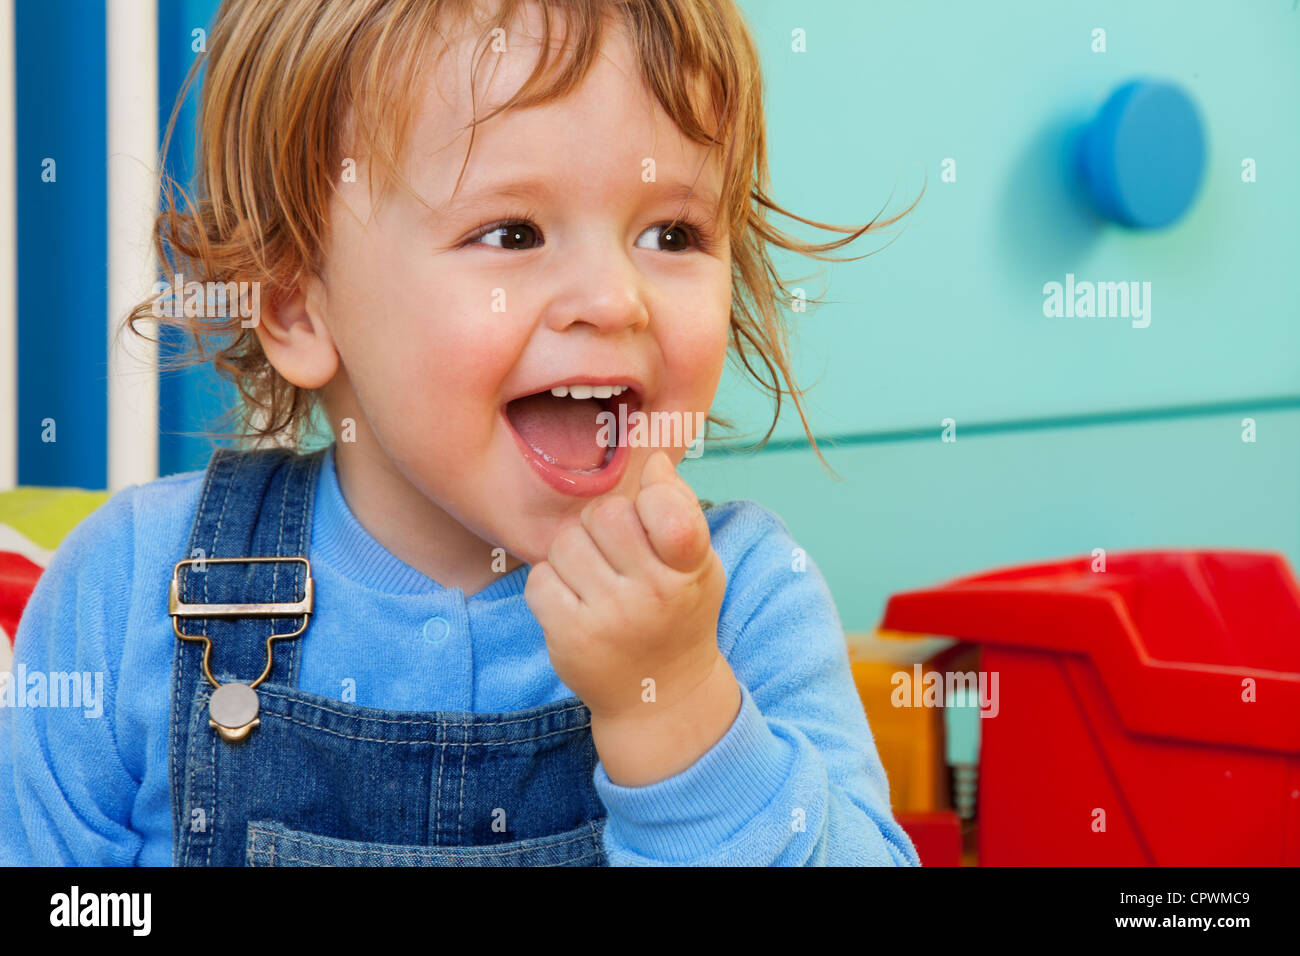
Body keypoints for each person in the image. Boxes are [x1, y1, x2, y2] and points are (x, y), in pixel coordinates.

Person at [0, 0, 921, 866]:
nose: (613, 300)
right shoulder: (130, 591)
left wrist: (676, 707)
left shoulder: (743, 603)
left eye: (673, 233)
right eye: (514, 233)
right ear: (297, 306)